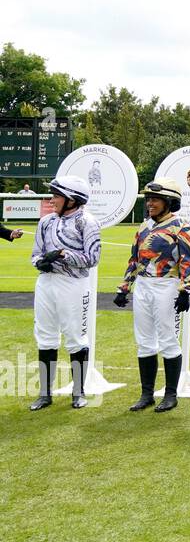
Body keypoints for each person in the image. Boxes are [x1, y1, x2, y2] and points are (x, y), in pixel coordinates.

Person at [114, 178, 190, 413]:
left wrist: (185, 290)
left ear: (169, 202)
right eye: (148, 199)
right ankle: (146, 394)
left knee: (168, 339)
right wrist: (124, 287)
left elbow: (187, 261)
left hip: (167, 286)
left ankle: (170, 395)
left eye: (155, 200)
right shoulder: (143, 227)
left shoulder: (182, 226)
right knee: (144, 340)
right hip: (144, 286)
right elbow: (134, 259)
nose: (150, 203)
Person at [28, 175, 101, 411]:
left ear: (72, 200)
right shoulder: (46, 222)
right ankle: (44, 393)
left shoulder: (87, 222)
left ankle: (78, 392)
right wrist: (42, 262)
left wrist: (62, 255)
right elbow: (35, 254)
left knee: (75, 337)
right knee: (45, 335)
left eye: (57, 196)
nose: (52, 200)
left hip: (73, 285)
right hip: (46, 283)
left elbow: (92, 258)